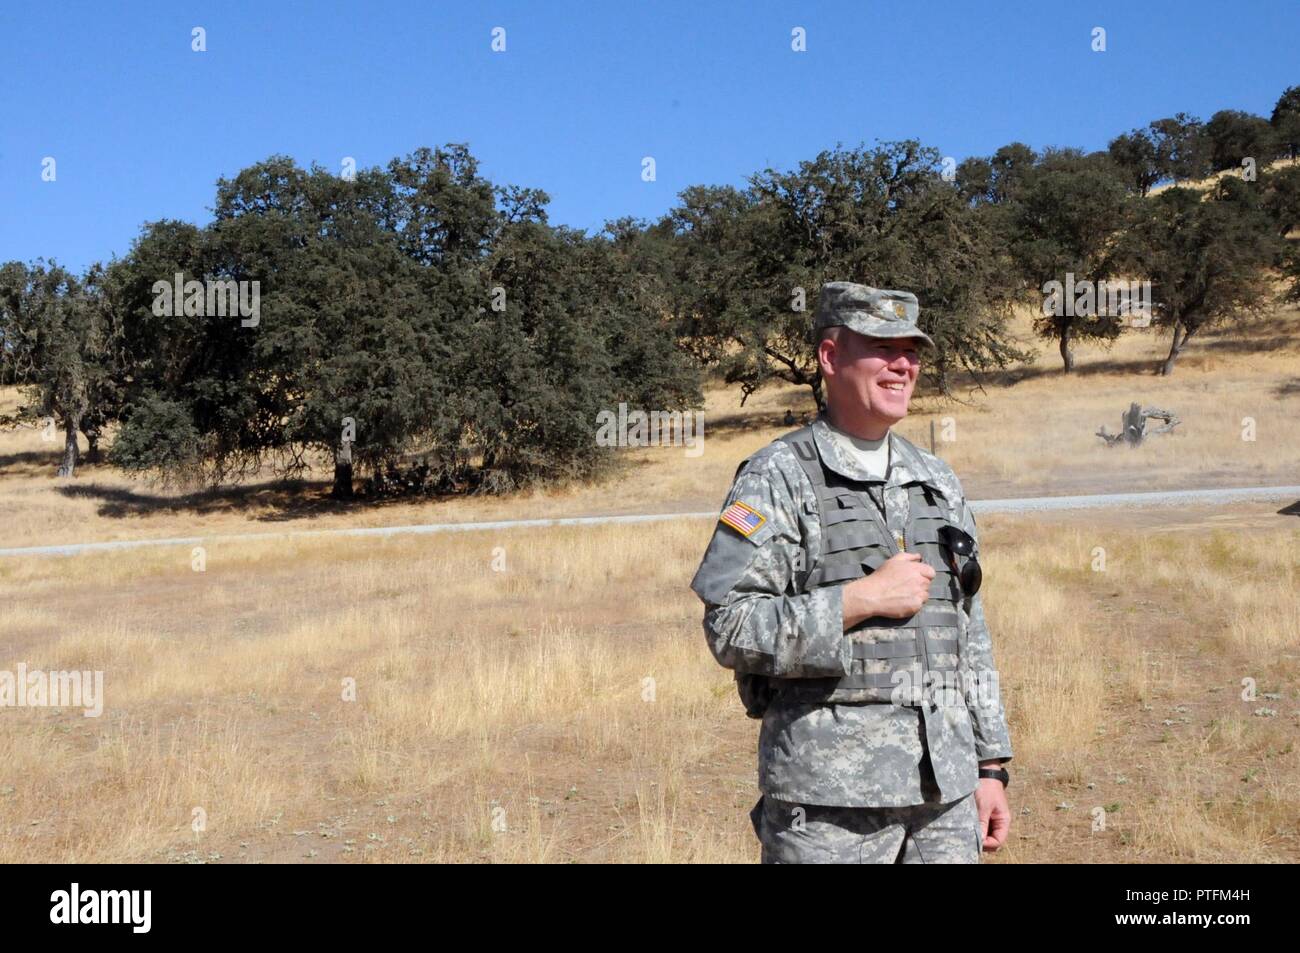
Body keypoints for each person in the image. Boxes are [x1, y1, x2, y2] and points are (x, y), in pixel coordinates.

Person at [690, 281, 1013, 864]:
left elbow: (970, 629)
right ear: (831, 356)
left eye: (913, 350)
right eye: (882, 346)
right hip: (829, 807)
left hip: (946, 796)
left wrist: (991, 767)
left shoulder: (936, 479)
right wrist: (856, 600)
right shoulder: (776, 477)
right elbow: (730, 625)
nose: (903, 363)